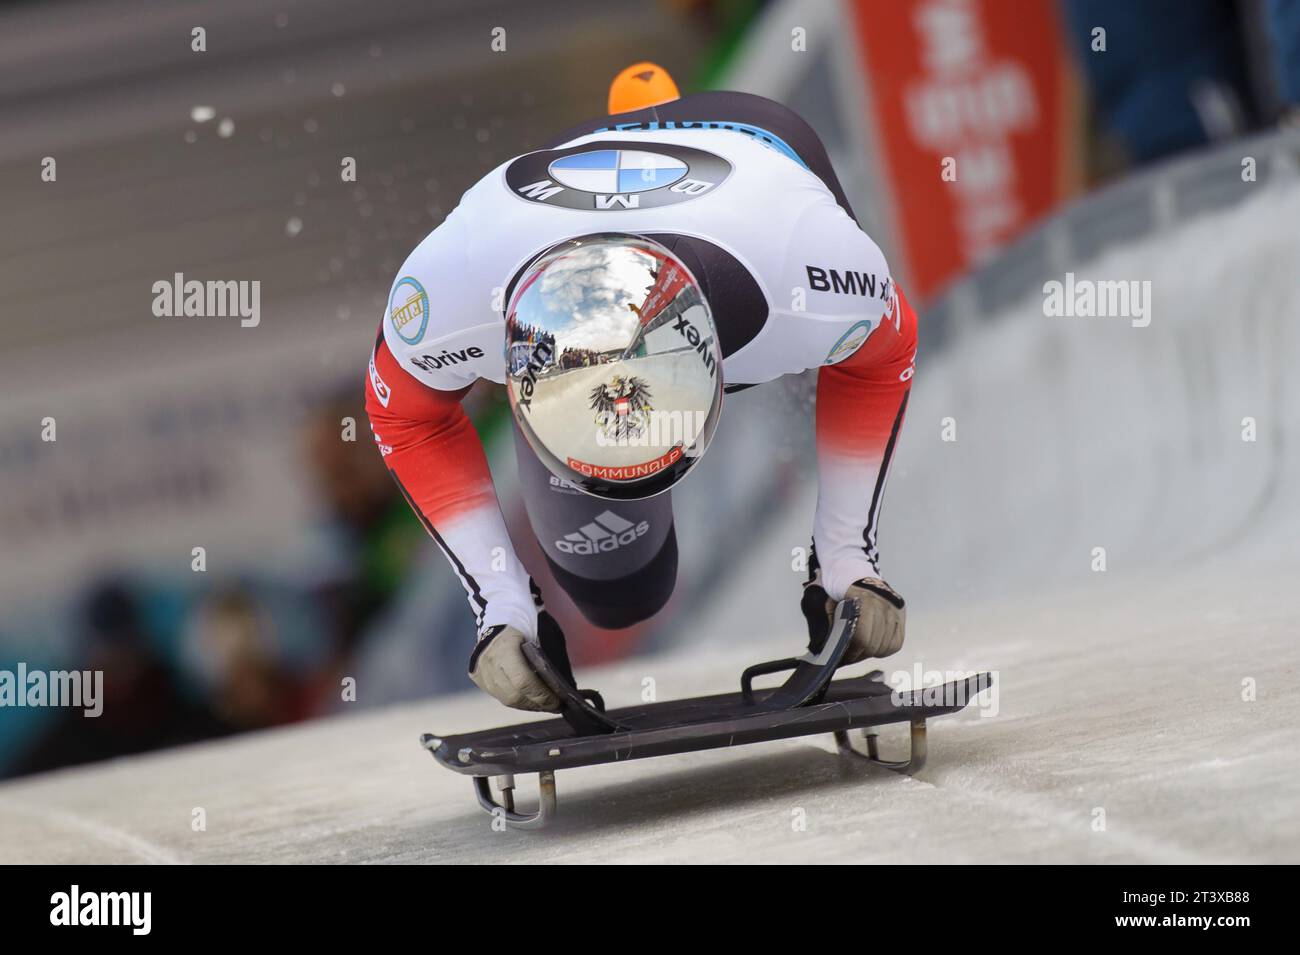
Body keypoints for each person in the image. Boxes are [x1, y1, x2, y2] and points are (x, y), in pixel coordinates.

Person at [364, 64, 916, 712]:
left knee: (630, 579)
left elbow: (884, 355)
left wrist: (847, 555)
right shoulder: (451, 289)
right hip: (574, 194)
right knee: (621, 592)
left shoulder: (806, 275)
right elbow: (401, 415)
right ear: (519, 379)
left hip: (756, 151)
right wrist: (499, 599)